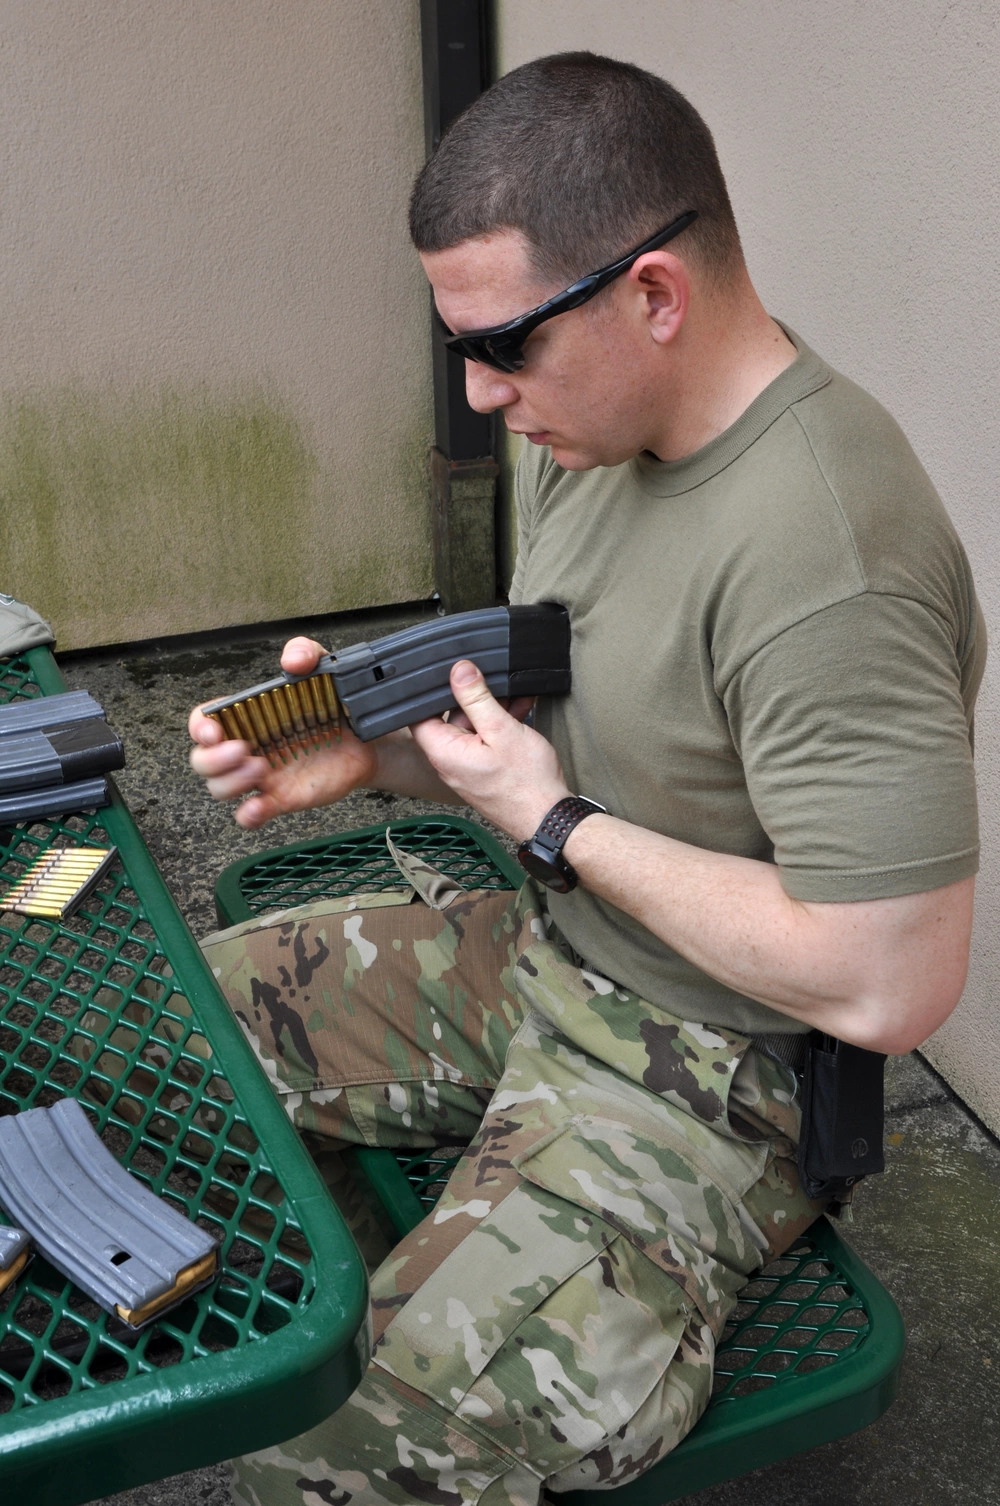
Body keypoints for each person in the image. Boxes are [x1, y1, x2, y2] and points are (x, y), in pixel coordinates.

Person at [189, 53, 984, 1506]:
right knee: (164, 1037)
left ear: (654, 295)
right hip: (553, 948)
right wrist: (375, 750)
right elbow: (576, 709)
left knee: (351, 1452)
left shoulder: (830, 563)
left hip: (721, 1069)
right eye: (462, 356)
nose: (485, 397)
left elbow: (893, 981)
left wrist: (552, 819)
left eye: (504, 350)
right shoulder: (593, 426)